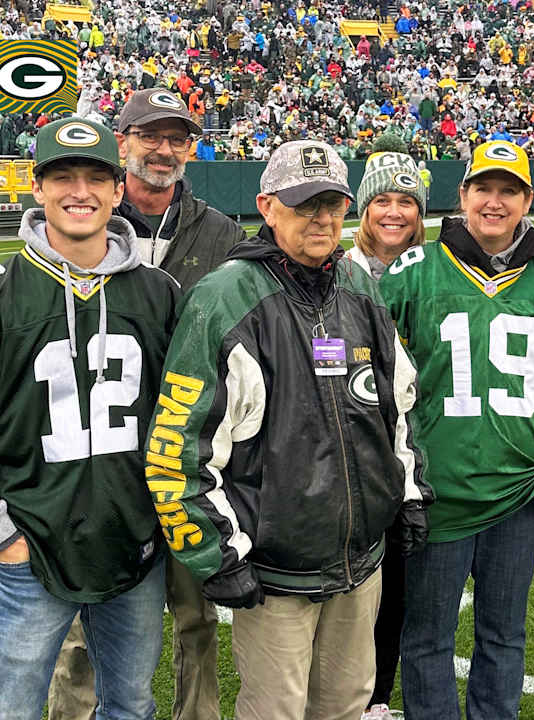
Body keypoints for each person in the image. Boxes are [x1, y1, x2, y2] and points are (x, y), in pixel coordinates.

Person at [146, 139, 431, 720]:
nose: (322, 219)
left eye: (333, 204)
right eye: (305, 205)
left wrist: (405, 493)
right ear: (267, 206)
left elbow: (398, 404)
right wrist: (216, 554)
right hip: (276, 571)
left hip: (359, 560)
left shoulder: (358, 288)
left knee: (346, 705)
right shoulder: (225, 297)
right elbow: (178, 446)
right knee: (276, 710)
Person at [0, 117, 180, 720]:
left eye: (95, 177)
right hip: (30, 546)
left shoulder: (160, 293)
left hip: (134, 544)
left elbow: (185, 419)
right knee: (9, 710)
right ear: (37, 188)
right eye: (63, 176)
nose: (79, 191)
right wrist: (0, 537)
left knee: (132, 705)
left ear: (119, 190)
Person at [48, 87, 246, 720]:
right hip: (100, 455)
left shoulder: (220, 232)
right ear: (122, 141)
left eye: (177, 138)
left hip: (191, 456)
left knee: (196, 617)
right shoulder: (85, 220)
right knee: (82, 625)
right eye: (150, 136)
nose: (164, 150)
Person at [383, 140, 534, 720]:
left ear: (527, 200)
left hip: (517, 491)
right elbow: (371, 380)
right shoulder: (411, 274)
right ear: (463, 194)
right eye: (484, 189)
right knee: (428, 635)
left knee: (503, 632)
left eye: (509, 191)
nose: (494, 203)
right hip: (435, 487)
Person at [345, 151, 428, 720]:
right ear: (363, 207)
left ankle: (375, 701)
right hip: (348, 451)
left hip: (413, 452)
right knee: (346, 595)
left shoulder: (436, 269)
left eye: (406, 202)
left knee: (397, 591)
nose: (393, 213)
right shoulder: (339, 267)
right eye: (382, 201)